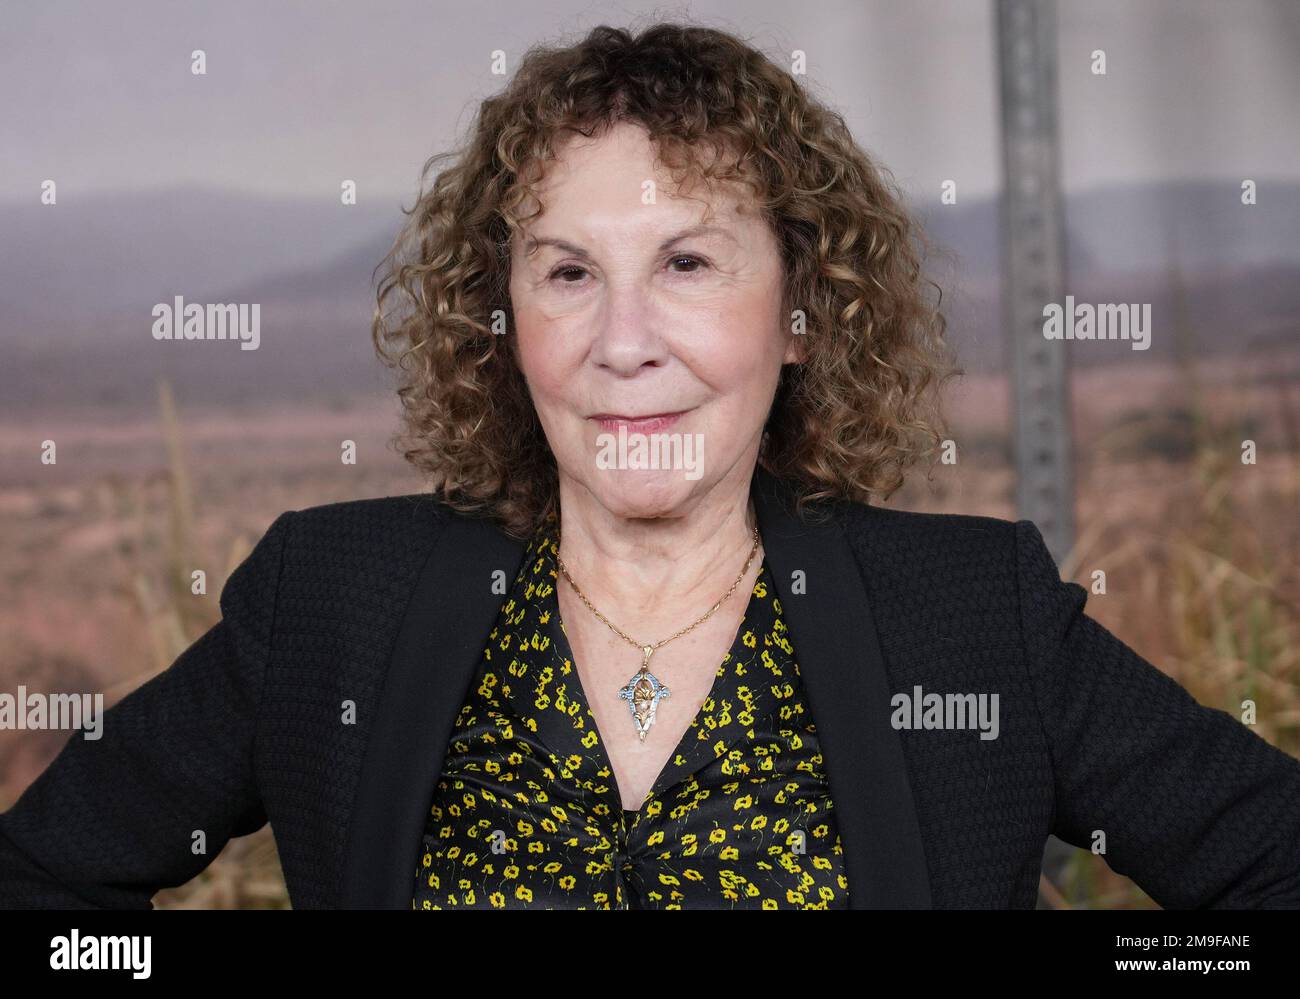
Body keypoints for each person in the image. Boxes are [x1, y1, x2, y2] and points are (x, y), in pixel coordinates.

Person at [3, 22, 1299, 910]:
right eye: (568, 273)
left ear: (801, 314)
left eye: (687, 264)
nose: (623, 345)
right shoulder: (333, 599)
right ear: (504, 317)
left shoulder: (970, 618)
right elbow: (47, 895)